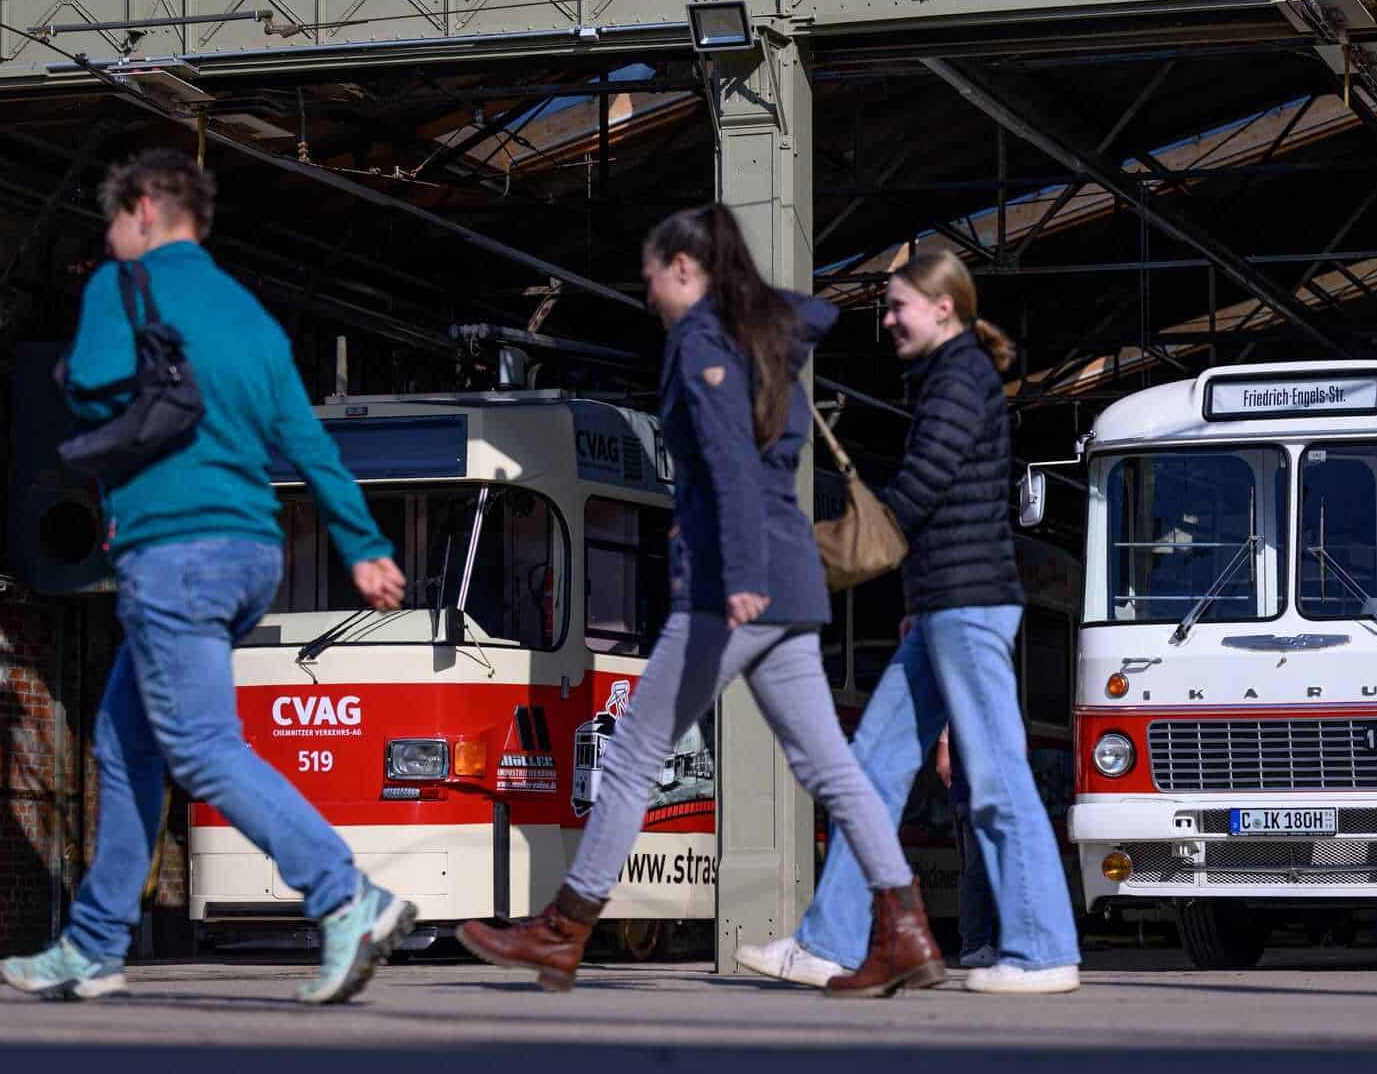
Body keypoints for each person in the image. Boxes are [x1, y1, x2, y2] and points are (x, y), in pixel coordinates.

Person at [457, 204, 943, 998]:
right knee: (830, 767)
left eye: (652, 277)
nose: (647, 295)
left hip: (732, 584)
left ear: (686, 269)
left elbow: (725, 460)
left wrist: (739, 571)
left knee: (632, 754)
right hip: (789, 583)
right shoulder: (768, 335)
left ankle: (561, 931)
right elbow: (787, 384)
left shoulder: (703, 341)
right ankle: (907, 930)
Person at [2, 149, 412, 1004]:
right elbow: (308, 442)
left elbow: (89, 392)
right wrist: (364, 546)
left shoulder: (124, 288)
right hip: (249, 555)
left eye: (113, 225)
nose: (110, 243)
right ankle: (93, 943)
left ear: (144, 210)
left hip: (174, 552)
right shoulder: (251, 318)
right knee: (125, 741)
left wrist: (73, 369)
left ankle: (346, 894)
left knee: (201, 745)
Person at [739, 249, 1082, 995]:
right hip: (940, 606)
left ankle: (1044, 948)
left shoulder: (960, 378)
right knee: (869, 769)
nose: (887, 319)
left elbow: (920, 489)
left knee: (994, 776)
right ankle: (827, 942)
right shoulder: (949, 377)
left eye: (898, 305)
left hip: (965, 602)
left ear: (944, 307)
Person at [937, 727, 999, 968]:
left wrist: (960, 790)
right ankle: (978, 945)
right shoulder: (992, 702)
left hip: (961, 798)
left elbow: (943, 766)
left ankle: (973, 944)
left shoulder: (950, 715)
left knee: (970, 872)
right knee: (985, 873)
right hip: (987, 798)